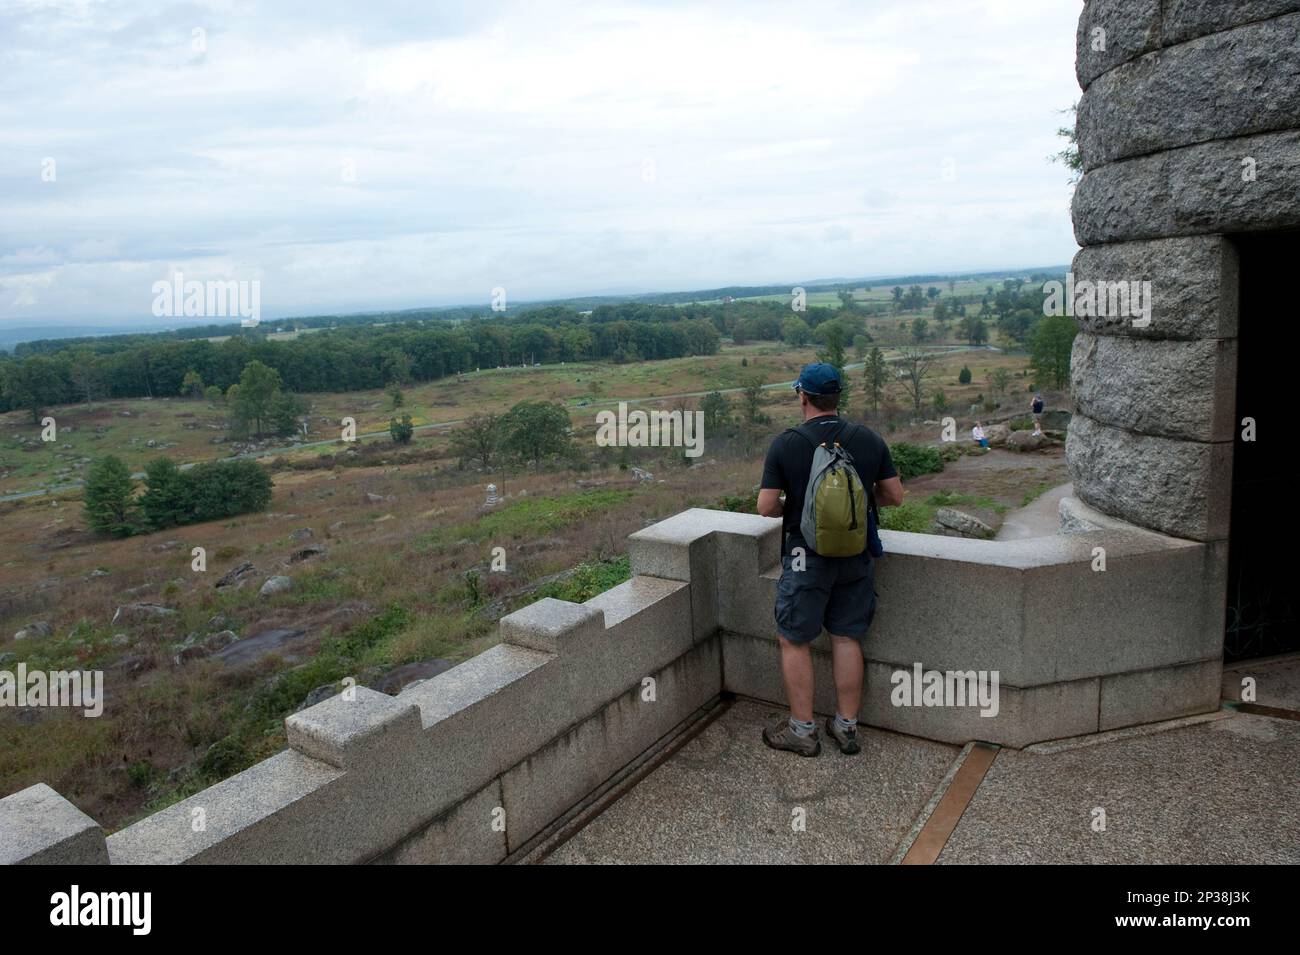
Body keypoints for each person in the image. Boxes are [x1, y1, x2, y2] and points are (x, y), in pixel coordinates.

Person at [756, 363, 905, 757]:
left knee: (793, 638)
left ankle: (803, 731)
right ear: (837, 398)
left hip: (806, 557)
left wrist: (800, 507)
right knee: (846, 636)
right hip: (856, 555)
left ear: (803, 396)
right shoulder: (868, 439)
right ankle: (846, 727)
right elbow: (894, 495)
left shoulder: (786, 444)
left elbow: (766, 506)